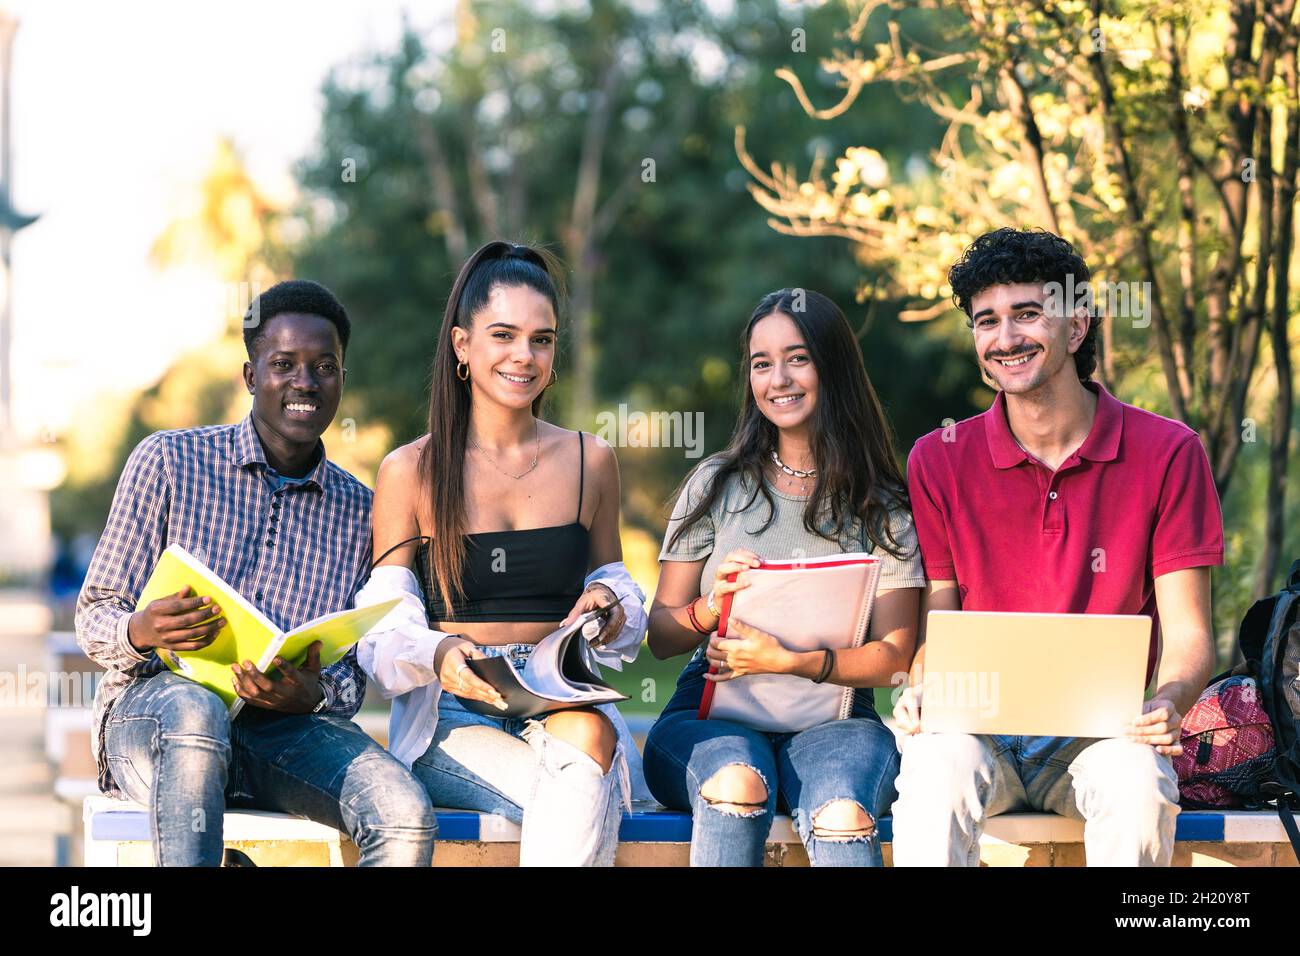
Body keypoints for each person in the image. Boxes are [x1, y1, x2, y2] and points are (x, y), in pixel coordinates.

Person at [891, 227, 1224, 866]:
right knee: (935, 772)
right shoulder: (938, 459)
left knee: (1137, 787)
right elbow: (940, 616)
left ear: (1076, 328)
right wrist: (921, 685)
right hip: (978, 732)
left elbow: (1188, 635)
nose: (1005, 338)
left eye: (1026, 315)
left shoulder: (1168, 453)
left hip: (1104, 736)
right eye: (986, 321)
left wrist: (1169, 701)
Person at [75, 280, 436, 867]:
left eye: (325, 366)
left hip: (279, 735)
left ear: (342, 378)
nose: (305, 382)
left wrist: (315, 693)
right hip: (156, 719)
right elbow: (94, 617)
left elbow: (349, 674)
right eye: (284, 364)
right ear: (249, 376)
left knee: (402, 809)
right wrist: (143, 630)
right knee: (197, 712)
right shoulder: (167, 461)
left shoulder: (360, 511)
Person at [354, 241, 647, 867]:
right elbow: (381, 625)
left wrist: (608, 606)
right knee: (581, 789)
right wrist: (439, 652)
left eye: (541, 340)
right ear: (463, 345)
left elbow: (616, 587)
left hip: (563, 695)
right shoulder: (410, 470)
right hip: (457, 710)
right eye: (504, 335)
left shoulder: (591, 460)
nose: (524, 356)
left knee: (589, 739)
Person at [642, 288, 924, 866]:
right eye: (761, 363)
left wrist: (791, 662)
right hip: (711, 710)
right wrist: (710, 609)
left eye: (798, 358)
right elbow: (662, 636)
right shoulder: (716, 485)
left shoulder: (885, 505)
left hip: (839, 714)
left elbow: (896, 657)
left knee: (842, 810)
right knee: (737, 783)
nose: (778, 379)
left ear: (833, 366)